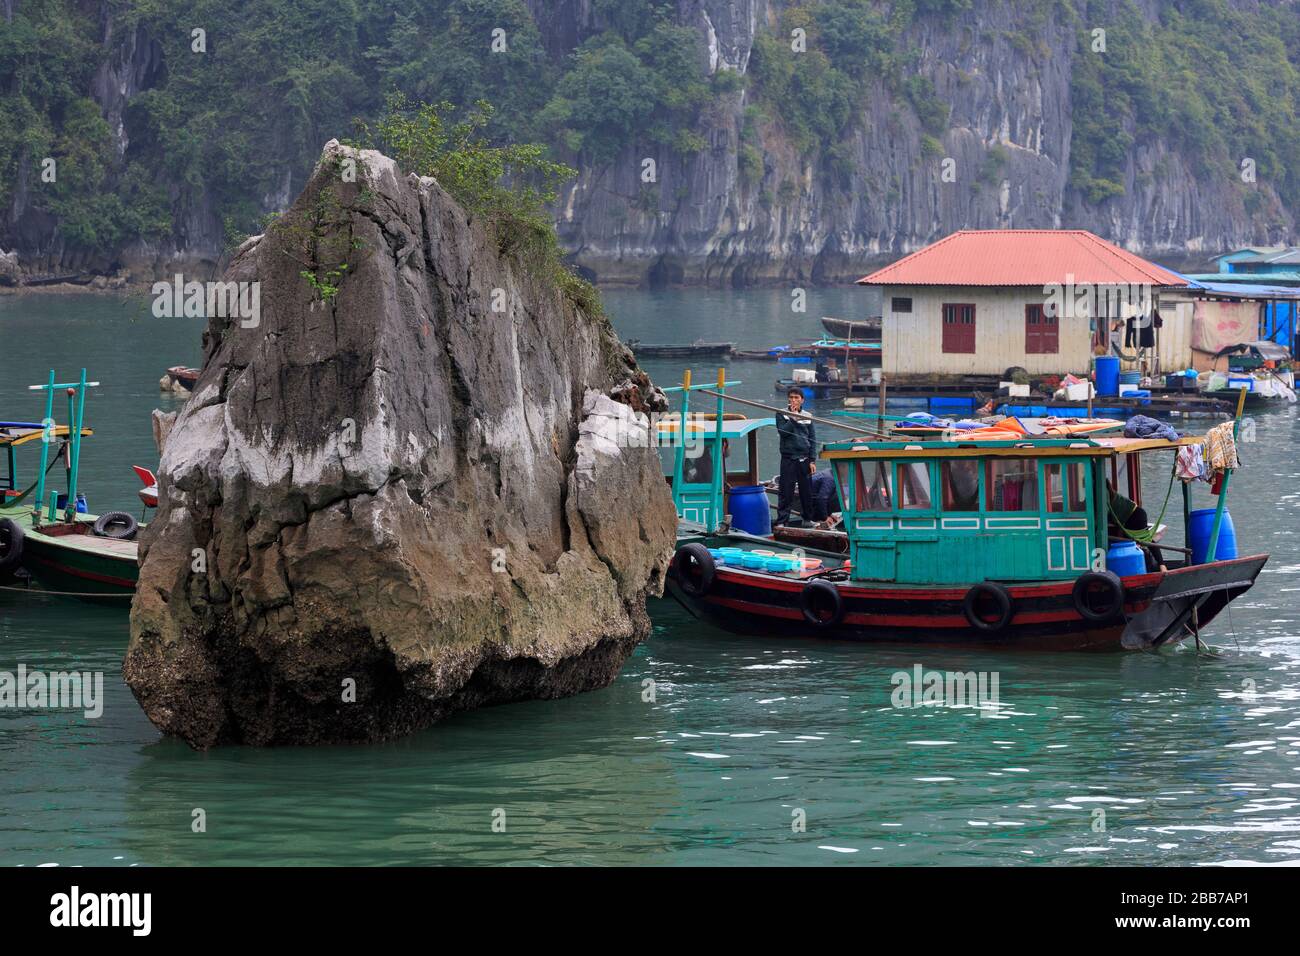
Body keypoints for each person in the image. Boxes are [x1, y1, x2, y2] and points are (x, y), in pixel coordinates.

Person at [775, 388, 817, 527]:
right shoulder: (781, 414)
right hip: (788, 458)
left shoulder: (808, 416)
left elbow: (812, 439)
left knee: (806, 491)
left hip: (804, 459)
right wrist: (792, 418)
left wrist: (812, 460)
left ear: (802, 400)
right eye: (791, 397)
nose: (793, 400)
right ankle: (782, 521)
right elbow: (783, 432)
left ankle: (807, 519)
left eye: (796, 398)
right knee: (786, 491)